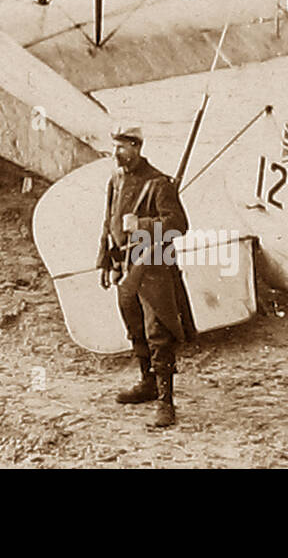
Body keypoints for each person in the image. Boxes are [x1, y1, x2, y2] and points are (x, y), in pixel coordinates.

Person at [97, 124, 192, 428]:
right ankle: (147, 384)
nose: (116, 153)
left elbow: (178, 225)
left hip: (153, 267)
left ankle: (166, 402)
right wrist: (106, 260)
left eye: (122, 147)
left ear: (137, 147)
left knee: (158, 332)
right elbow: (108, 221)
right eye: (114, 146)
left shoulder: (159, 183)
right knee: (134, 325)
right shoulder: (115, 180)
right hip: (125, 265)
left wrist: (142, 224)